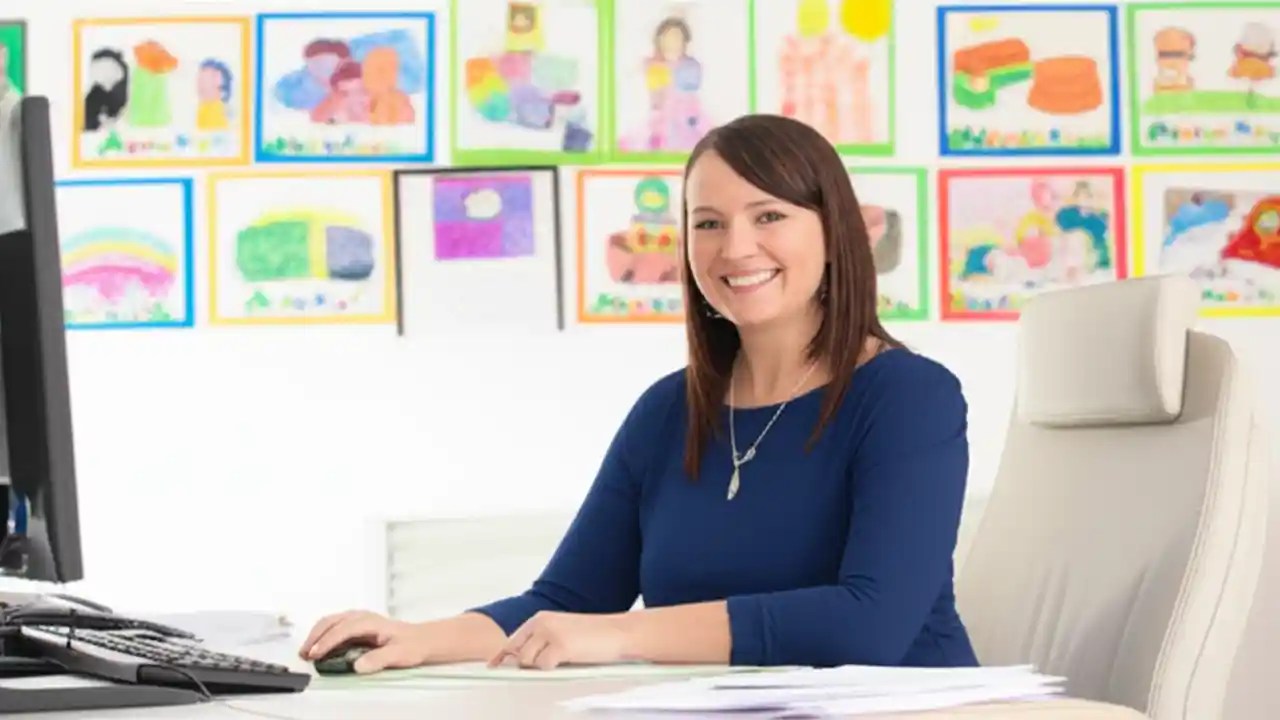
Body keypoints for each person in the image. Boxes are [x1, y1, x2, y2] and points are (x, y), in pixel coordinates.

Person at [299, 114, 979, 674]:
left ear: (832, 232)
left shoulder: (908, 397)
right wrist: (420, 639)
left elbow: (870, 626)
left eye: (768, 216)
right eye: (707, 223)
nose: (735, 247)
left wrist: (621, 634)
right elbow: (568, 598)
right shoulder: (669, 412)